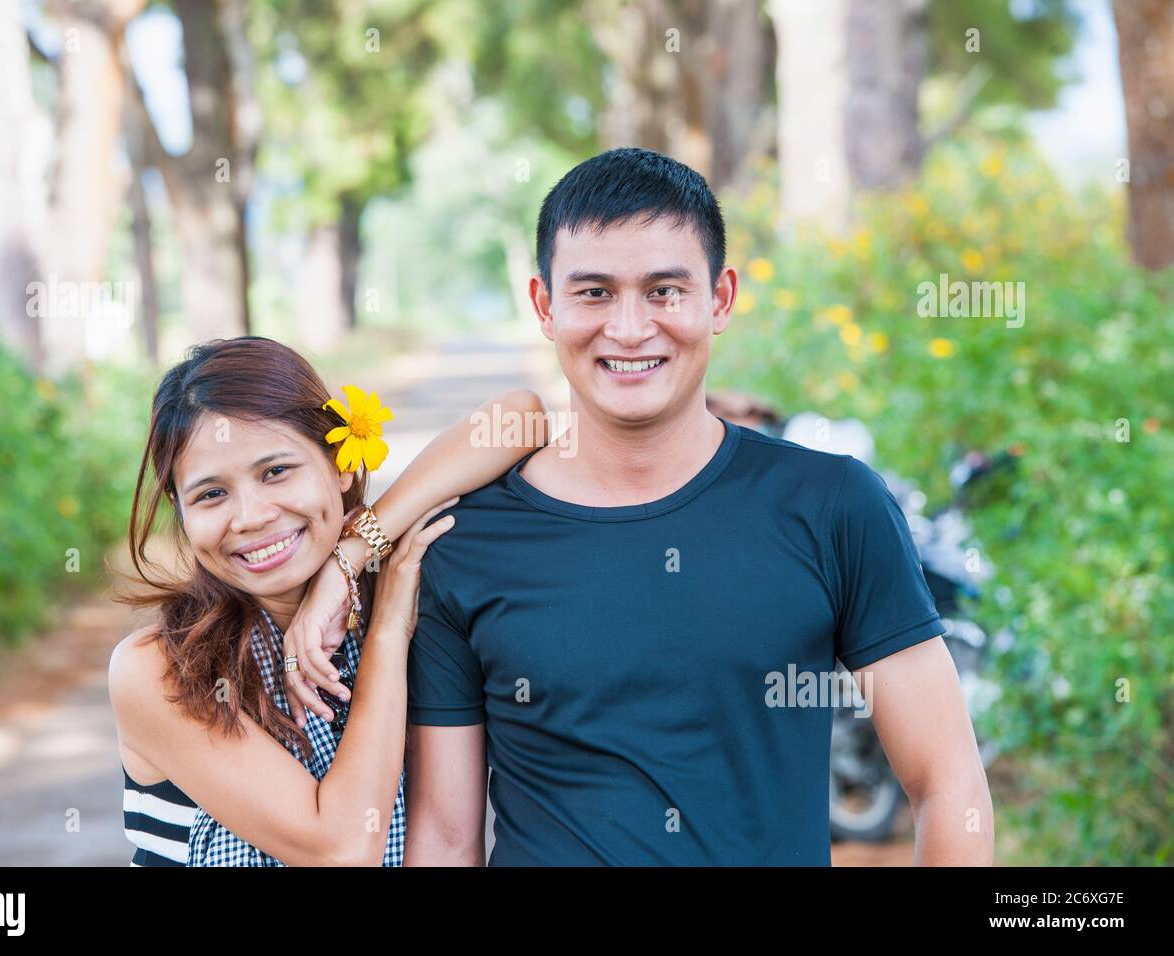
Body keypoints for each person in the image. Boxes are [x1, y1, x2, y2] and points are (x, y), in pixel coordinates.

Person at [401, 147, 994, 866]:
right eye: (593, 293)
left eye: (663, 291)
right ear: (544, 307)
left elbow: (947, 780)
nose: (627, 329)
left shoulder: (833, 505)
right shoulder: (467, 543)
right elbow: (445, 835)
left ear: (719, 299)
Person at [108, 335, 546, 865]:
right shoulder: (158, 668)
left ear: (340, 464)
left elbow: (522, 416)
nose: (250, 516)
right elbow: (341, 849)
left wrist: (351, 557)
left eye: (276, 471)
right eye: (211, 494)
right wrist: (386, 632)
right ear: (182, 513)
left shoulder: (394, 583)